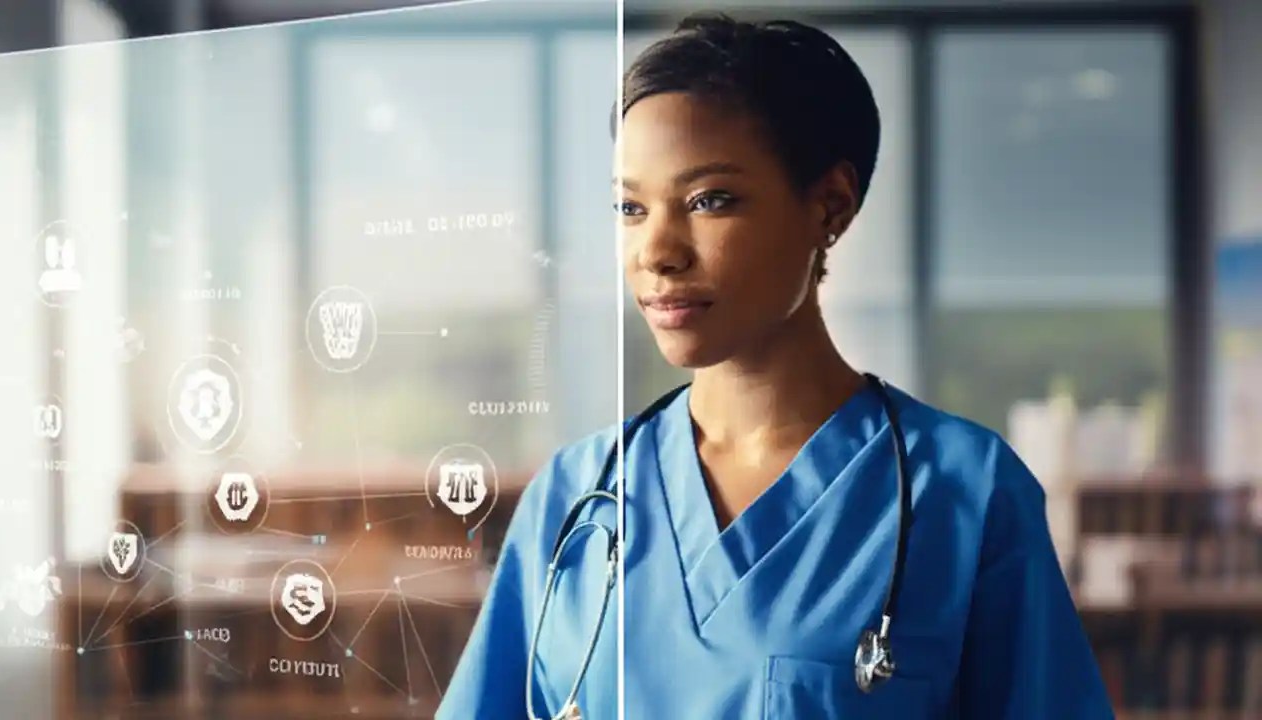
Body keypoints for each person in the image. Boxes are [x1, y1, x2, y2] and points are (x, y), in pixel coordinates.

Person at [437, 12, 1115, 719]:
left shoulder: (965, 493)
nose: (657, 251)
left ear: (830, 205)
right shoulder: (577, 495)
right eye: (630, 207)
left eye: (710, 201)